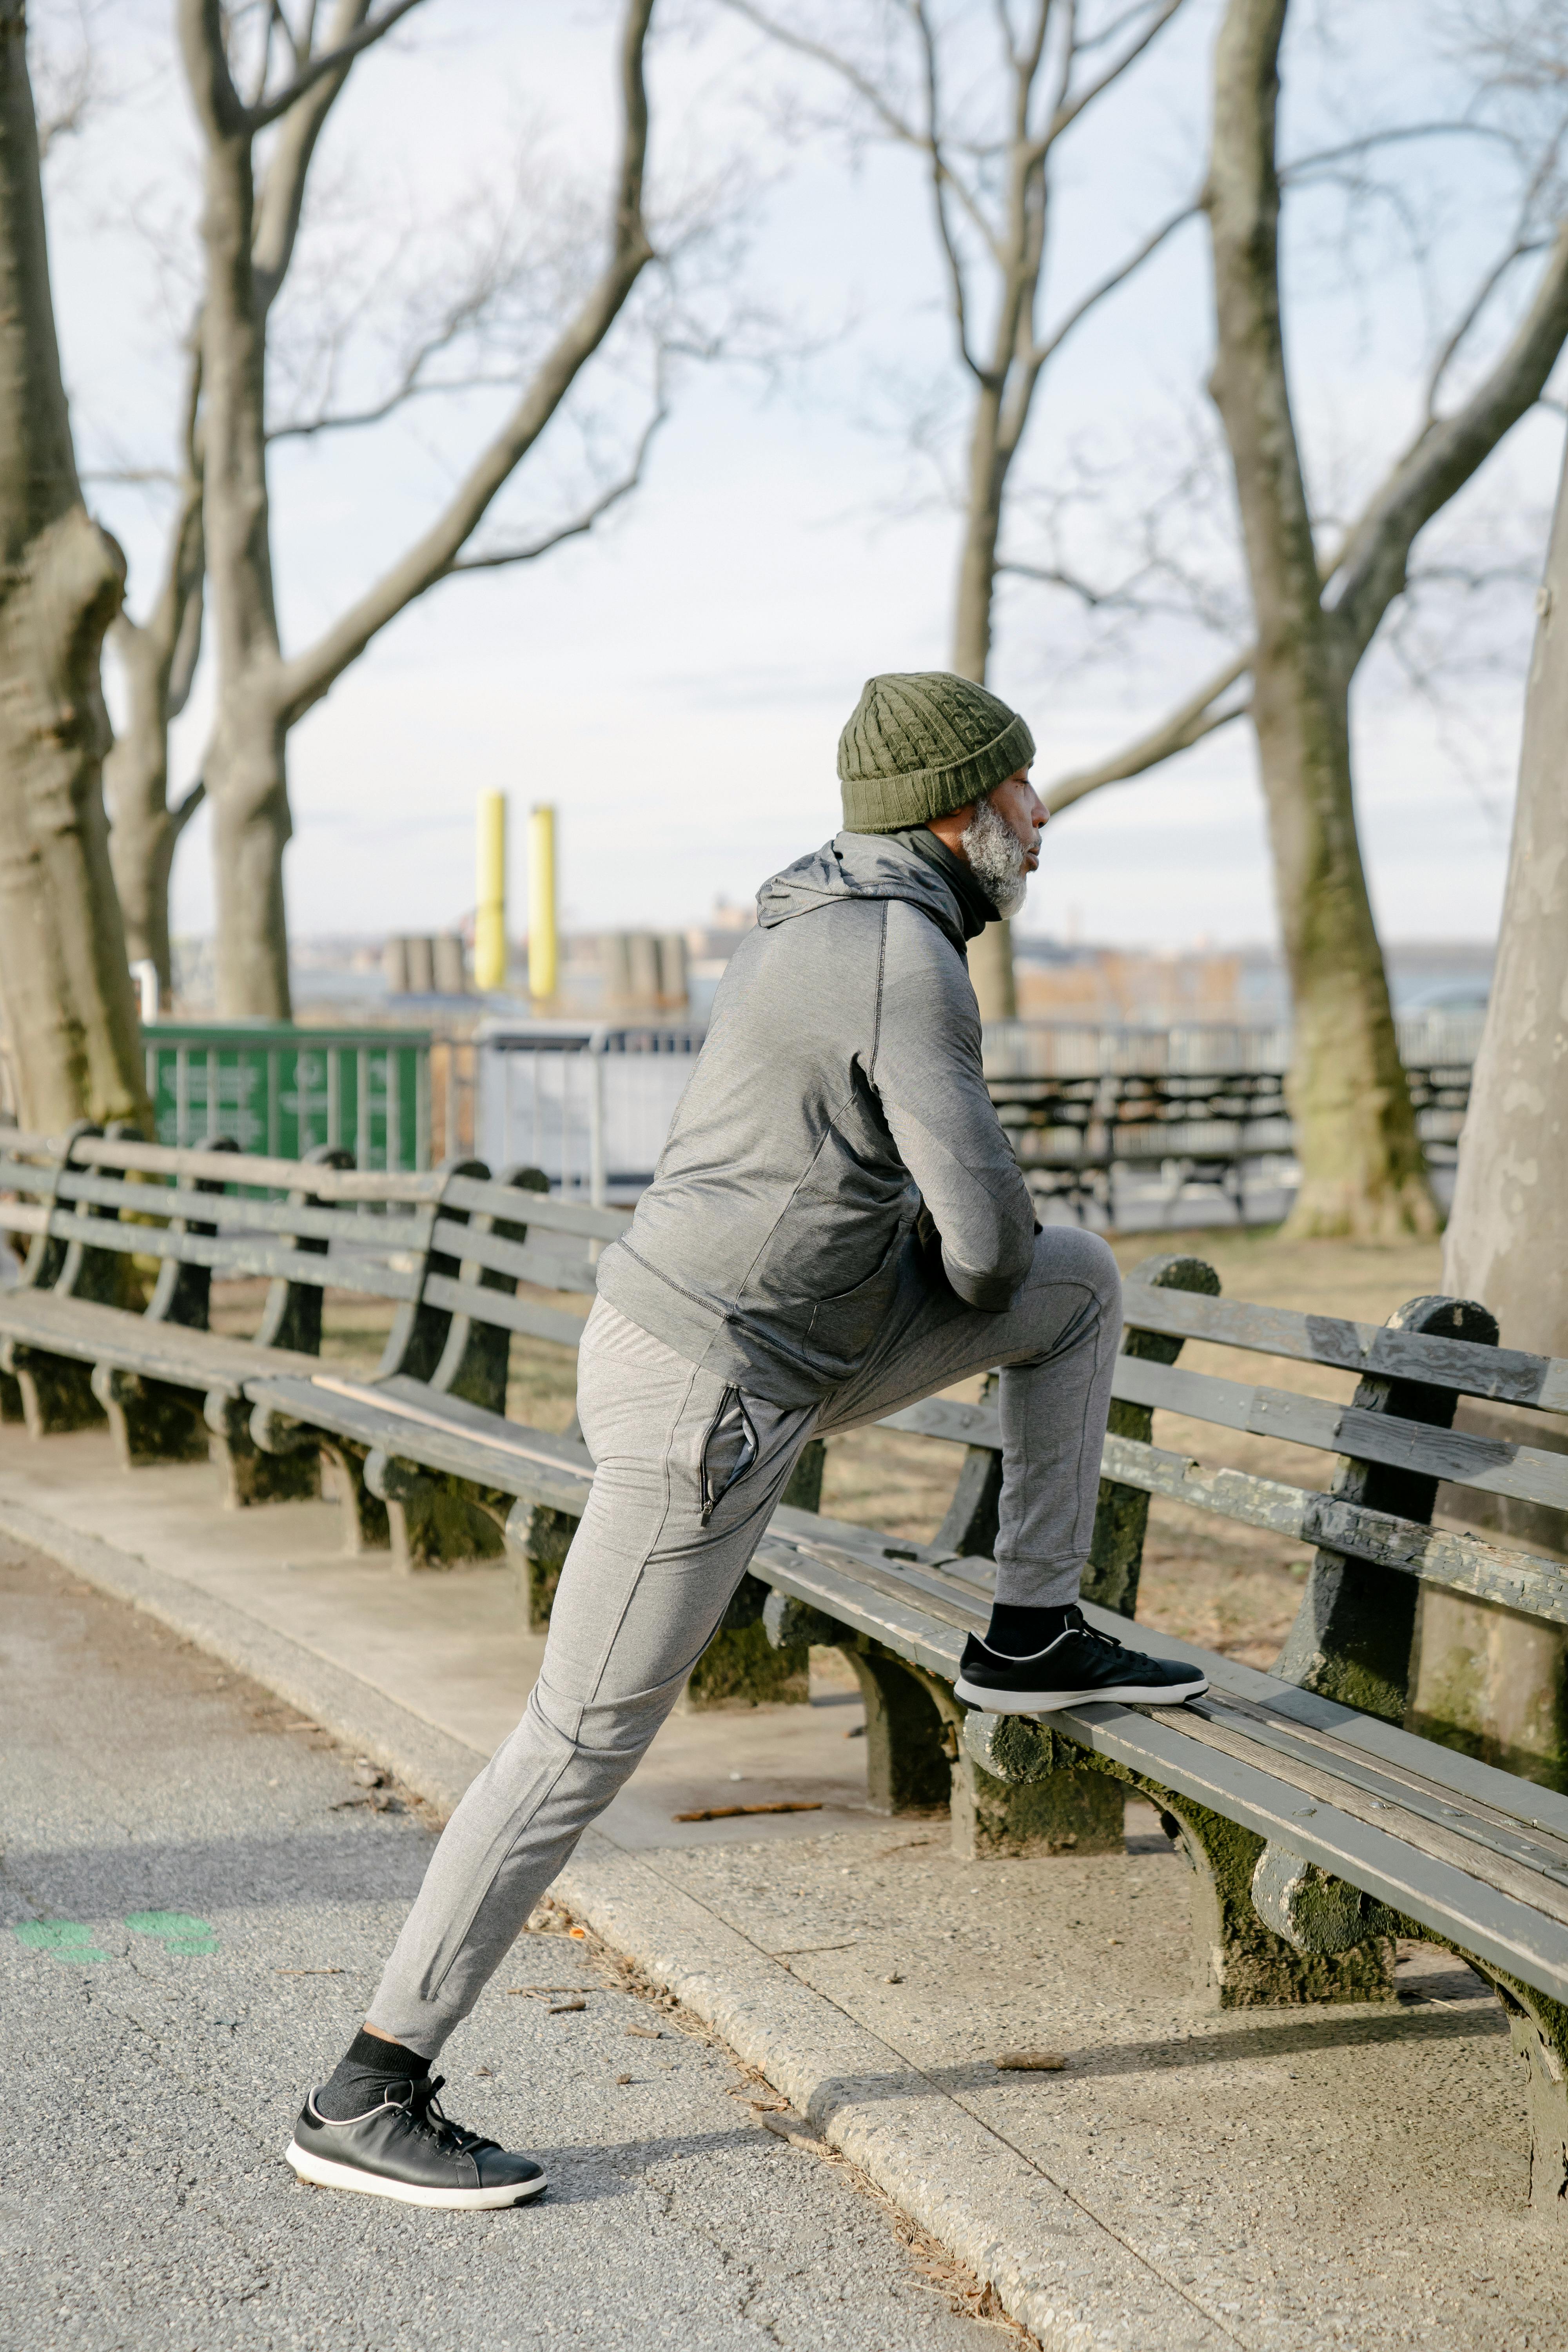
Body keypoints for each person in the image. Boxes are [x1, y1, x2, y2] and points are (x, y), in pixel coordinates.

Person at [285, 670, 1206, 2209]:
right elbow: (977, 1249)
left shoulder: (820, 918)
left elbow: (993, 1263)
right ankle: (365, 2091)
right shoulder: (903, 963)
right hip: (712, 1389)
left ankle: (1033, 1629)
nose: (1044, 822)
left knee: (1081, 1285)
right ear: (959, 813)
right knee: (577, 1741)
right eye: (1026, 793)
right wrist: (955, 1198)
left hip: (761, 1349)